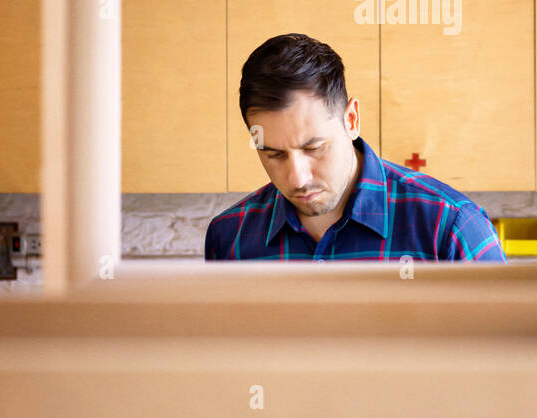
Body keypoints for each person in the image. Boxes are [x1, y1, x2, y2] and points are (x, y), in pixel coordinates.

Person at [204, 32, 507, 264]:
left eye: (313, 148)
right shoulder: (230, 238)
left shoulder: (452, 228)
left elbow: (508, 346)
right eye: (274, 154)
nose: (297, 179)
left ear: (351, 119)